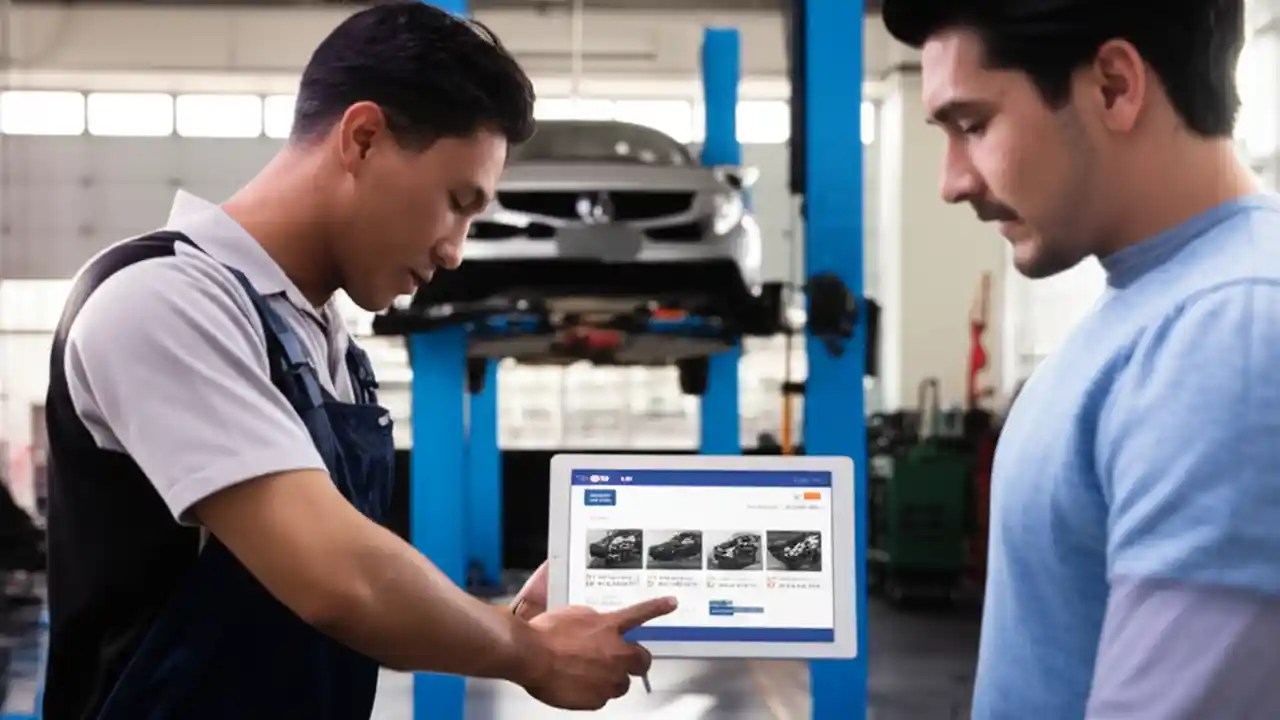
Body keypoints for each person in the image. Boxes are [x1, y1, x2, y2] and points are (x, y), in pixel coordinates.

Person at [42, 3, 675, 718]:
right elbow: (341, 581)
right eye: (456, 203)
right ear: (364, 138)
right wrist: (532, 654)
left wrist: (507, 621)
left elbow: (331, 590)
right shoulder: (163, 300)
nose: (455, 250)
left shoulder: (319, 339)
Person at [883, 1, 1280, 718]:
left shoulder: (1231, 328)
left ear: (1113, 87)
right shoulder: (1158, 302)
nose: (952, 181)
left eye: (972, 126)